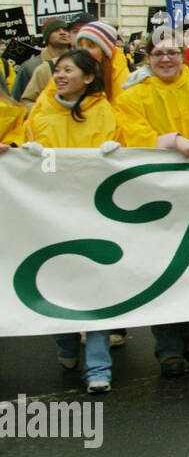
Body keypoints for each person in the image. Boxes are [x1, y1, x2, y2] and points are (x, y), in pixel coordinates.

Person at [115, 30, 189, 371]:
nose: (166, 59)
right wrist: (172, 141)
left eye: (173, 52)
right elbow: (128, 134)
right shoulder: (133, 96)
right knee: (161, 269)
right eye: (159, 53)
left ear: (182, 56)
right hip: (155, 194)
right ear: (147, 57)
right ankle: (169, 347)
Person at [19, 48, 122, 392]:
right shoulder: (40, 111)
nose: (60, 76)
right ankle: (65, 343)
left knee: (96, 287)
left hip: (92, 215)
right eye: (58, 70)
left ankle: (98, 367)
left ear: (88, 77)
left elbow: (126, 152)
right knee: (57, 284)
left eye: (68, 71)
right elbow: (21, 145)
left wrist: (117, 152)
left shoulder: (105, 112)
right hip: (50, 216)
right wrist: (22, 151)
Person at [12, 17, 73, 104]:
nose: (62, 33)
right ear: (47, 36)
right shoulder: (29, 67)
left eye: (65, 29)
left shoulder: (80, 62)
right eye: (56, 30)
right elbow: (18, 101)